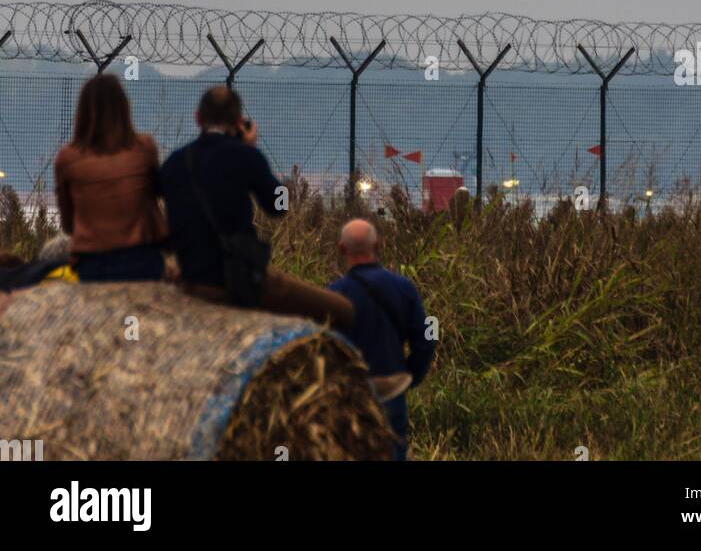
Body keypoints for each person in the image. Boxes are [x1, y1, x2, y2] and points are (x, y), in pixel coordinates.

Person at [159, 85, 353, 327]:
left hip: (191, 276)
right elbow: (279, 207)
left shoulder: (175, 162)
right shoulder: (246, 156)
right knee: (343, 311)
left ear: (198, 118)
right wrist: (275, 176)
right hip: (241, 278)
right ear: (240, 120)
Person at [329, 219, 436, 460]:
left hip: (350, 393)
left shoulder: (334, 294)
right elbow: (426, 338)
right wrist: (410, 376)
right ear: (378, 245)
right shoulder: (403, 288)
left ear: (342, 248)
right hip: (391, 387)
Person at [54, 74, 167, 282]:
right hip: (140, 257)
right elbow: (157, 193)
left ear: (82, 112)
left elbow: (68, 224)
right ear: (124, 108)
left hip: (92, 261)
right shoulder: (144, 149)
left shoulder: (67, 158)